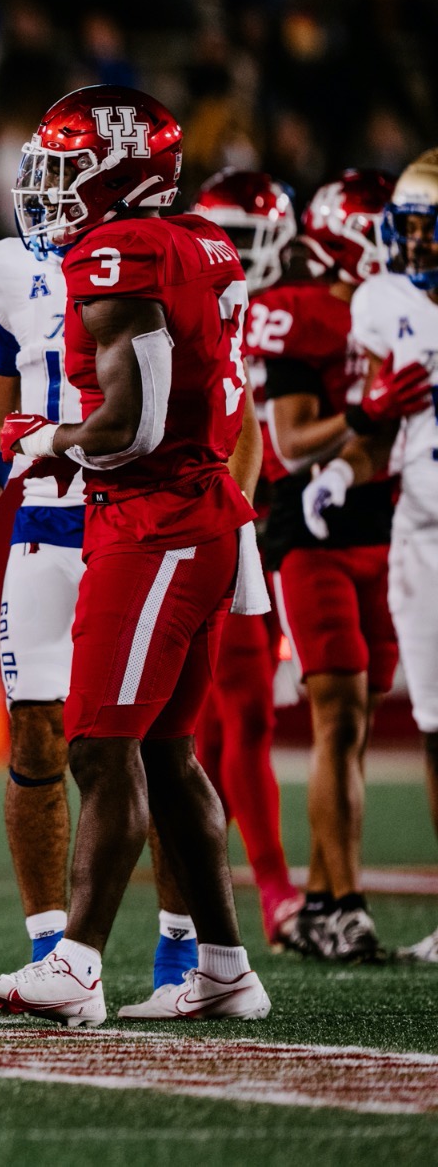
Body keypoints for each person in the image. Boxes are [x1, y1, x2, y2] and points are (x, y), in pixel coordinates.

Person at [0, 85, 272, 1025]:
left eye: (65, 168)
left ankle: (78, 961)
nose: (51, 190)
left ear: (117, 172)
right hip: (199, 510)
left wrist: (49, 439)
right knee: (171, 753)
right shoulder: (197, 239)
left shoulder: (119, 251)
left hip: (155, 516)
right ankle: (222, 966)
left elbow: (131, 426)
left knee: (101, 743)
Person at [0, 164, 206, 998]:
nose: (47, 198)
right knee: (37, 735)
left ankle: (179, 953)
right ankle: (53, 949)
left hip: (130, 516)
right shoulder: (7, 266)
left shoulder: (153, 255)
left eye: (65, 178)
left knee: (155, 743)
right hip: (44, 525)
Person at [244, 169, 399, 962]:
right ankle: (344, 901)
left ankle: (320, 898)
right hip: (313, 532)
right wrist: (373, 412)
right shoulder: (298, 314)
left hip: (392, 527)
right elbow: (293, 438)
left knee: (362, 721)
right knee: (337, 715)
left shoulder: (403, 308)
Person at [305, 148, 438, 963]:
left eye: (433, 233)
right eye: (411, 231)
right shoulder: (384, 301)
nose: (417, 249)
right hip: (422, 530)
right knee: (435, 726)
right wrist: (336, 469)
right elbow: (385, 429)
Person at [188, 169, 305, 949]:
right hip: (209, 518)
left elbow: (261, 432)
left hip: (268, 523)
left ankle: (247, 888)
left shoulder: (294, 315)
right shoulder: (185, 298)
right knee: (214, 718)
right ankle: (258, 890)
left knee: (246, 713)